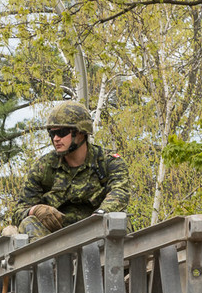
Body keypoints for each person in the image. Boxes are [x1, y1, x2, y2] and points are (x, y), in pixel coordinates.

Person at [12, 101, 129, 238]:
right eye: (52, 133)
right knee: (28, 223)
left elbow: (119, 193)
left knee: (119, 220)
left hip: (99, 232)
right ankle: (48, 259)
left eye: (61, 132)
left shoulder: (108, 162)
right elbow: (18, 212)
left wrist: (99, 217)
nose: (56, 139)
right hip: (57, 239)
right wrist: (34, 210)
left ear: (80, 132)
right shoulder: (44, 167)